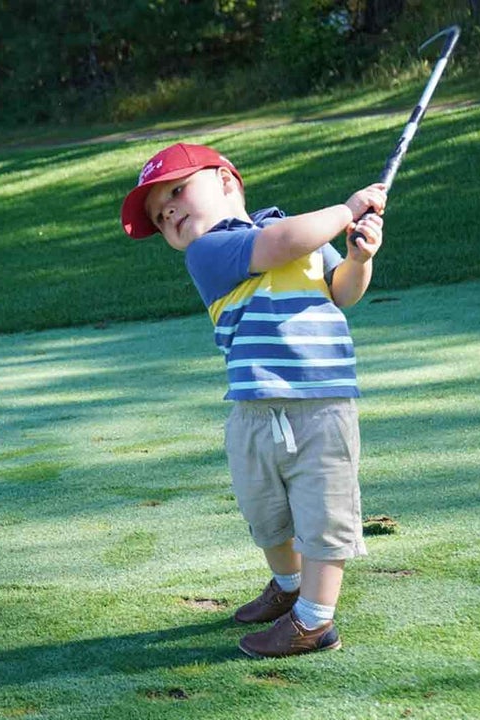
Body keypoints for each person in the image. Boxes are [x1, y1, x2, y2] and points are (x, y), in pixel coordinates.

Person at [119, 143, 386, 658]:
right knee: (265, 513)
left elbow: (342, 291)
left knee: (323, 511)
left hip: (321, 401)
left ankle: (313, 620)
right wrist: (346, 210)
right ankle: (287, 586)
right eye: (159, 214)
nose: (169, 210)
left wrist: (358, 256)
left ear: (226, 182)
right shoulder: (212, 250)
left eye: (176, 191)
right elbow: (279, 244)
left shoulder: (295, 231)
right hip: (252, 408)